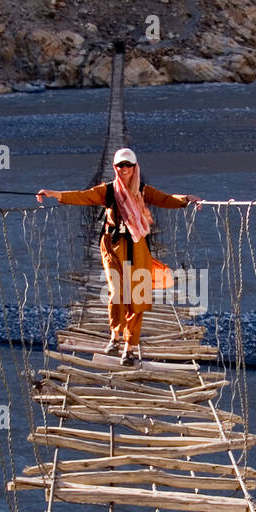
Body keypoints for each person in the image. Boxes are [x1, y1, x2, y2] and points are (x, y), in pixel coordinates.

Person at [37, 148, 201, 364]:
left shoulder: (142, 190)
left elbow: (165, 199)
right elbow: (83, 196)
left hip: (137, 247)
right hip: (113, 247)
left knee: (138, 298)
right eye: (120, 165)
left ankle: (130, 348)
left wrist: (186, 199)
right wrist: (54, 193)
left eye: (128, 165)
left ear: (135, 167)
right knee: (117, 293)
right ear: (115, 168)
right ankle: (115, 337)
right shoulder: (107, 191)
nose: (124, 169)